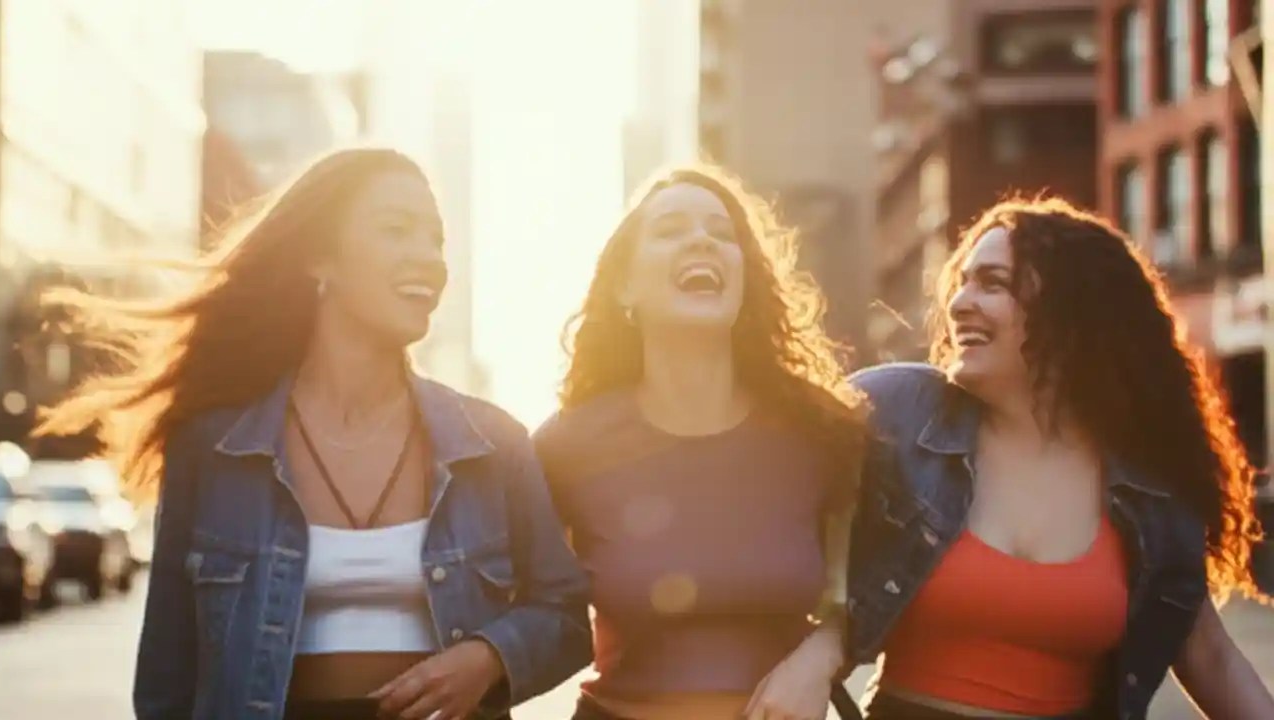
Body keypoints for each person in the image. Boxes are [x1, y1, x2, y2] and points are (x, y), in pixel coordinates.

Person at [37, 147, 592, 720]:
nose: (428, 259)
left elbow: (567, 613)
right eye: (397, 231)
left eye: (436, 241)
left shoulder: (493, 443)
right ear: (319, 260)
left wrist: (487, 657)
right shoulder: (216, 447)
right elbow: (167, 676)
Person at [844, 197, 1274, 719]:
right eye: (962, 282)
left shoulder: (1149, 486)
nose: (959, 303)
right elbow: (782, 525)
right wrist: (819, 649)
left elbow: (1210, 656)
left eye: (992, 283)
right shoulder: (898, 410)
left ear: (1073, 312)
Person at [534, 165, 866, 720]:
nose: (701, 240)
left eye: (721, 231)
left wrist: (825, 651)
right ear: (625, 286)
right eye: (670, 230)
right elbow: (524, 612)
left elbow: (889, 581)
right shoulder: (565, 448)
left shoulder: (822, 433)